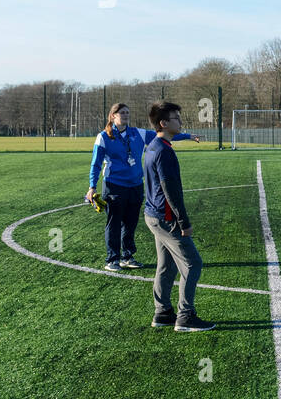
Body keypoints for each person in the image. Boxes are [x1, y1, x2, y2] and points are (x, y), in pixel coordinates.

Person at [86, 103, 199, 272]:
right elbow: (95, 164)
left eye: (127, 112)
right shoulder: (103, 137)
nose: (125, 115)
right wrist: (92, 186)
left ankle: (127, 256)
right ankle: (112, 259)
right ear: (112, 116)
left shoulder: (137, 133)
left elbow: (163, 134)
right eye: (121, 112)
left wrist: (187, 136)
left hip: (136, 185)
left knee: (130, 224)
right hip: (114, 186)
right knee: (114, 223)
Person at [142, 101, 214, 332]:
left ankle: (162, 313)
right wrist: (184, 223)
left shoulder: (154, 146)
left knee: (167, 266)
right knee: (193, 264)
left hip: (152, 215)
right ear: (163, 123)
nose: (180, 122)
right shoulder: (163, 151)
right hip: (165, 218)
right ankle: (185, 316)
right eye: (176, 118)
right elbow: (170, 191)